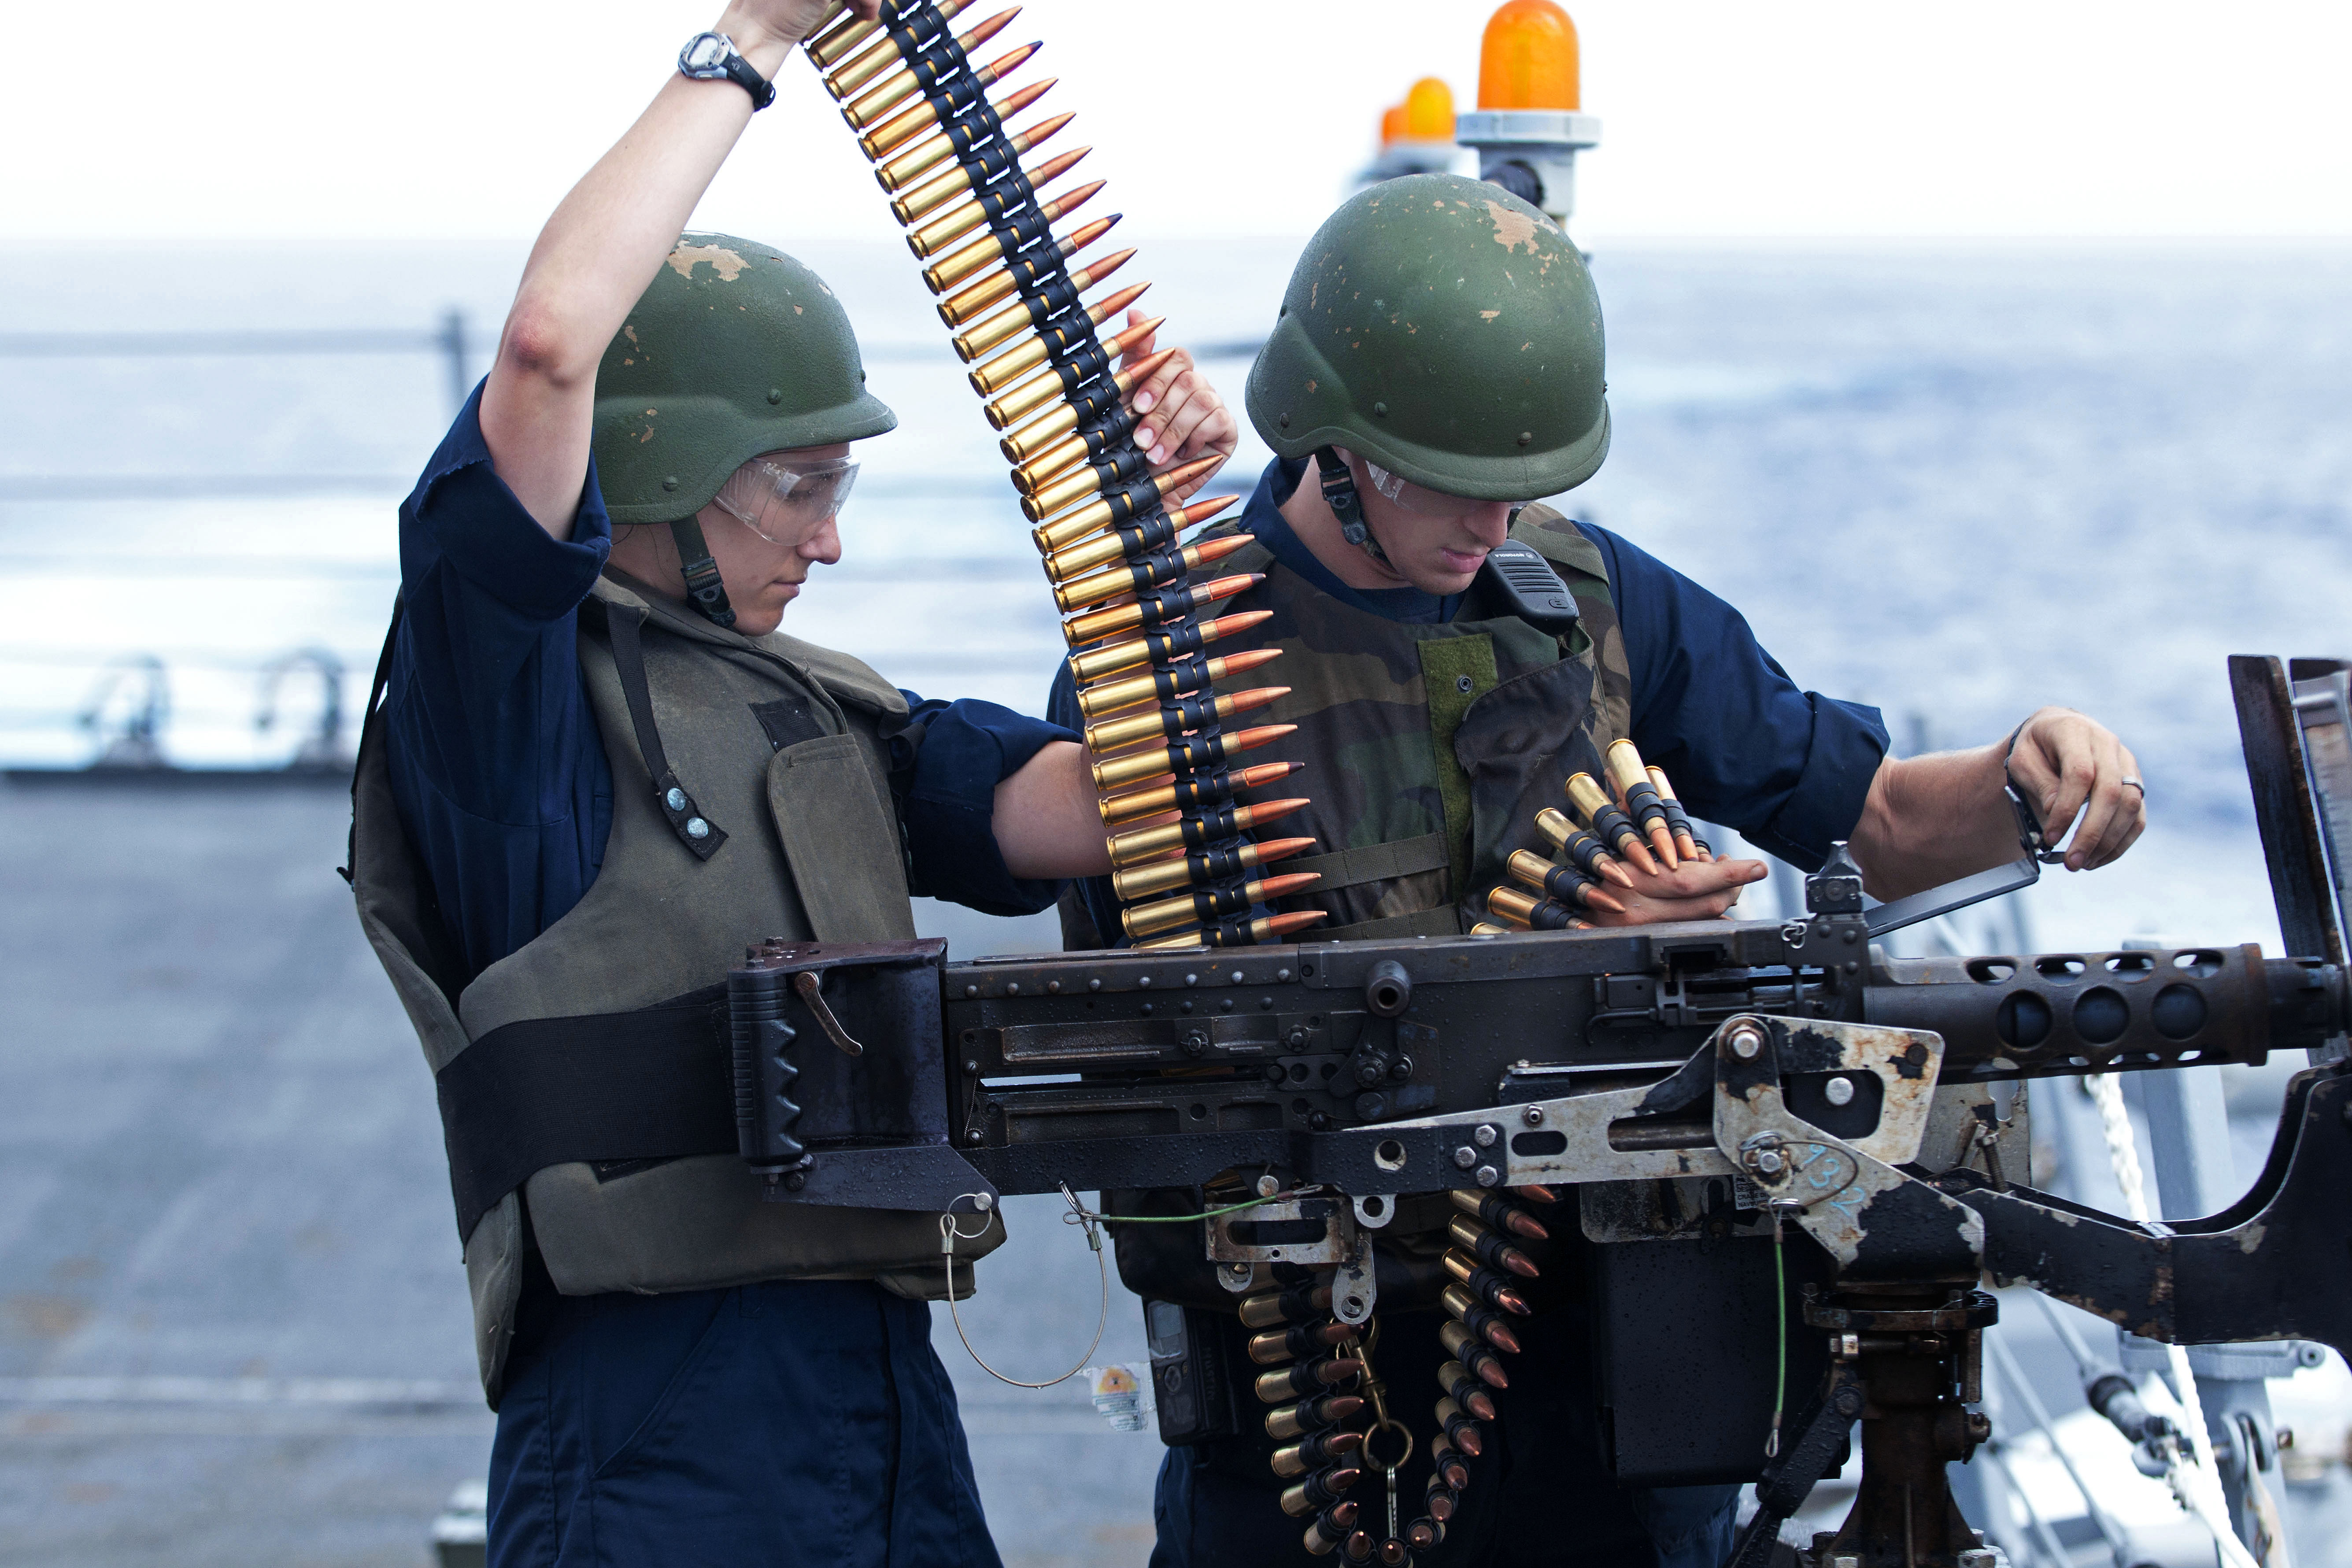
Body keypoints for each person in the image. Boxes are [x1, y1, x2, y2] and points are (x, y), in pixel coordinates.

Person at [1046, 174, 2148, 1567]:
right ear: (1328, 445)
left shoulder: (1588, 596)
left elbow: (1868, 814)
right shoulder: (1172, 672)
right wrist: (1579, 952)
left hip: (1618, 1357)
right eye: (1451, 491)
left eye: (1521, 494)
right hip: (1323, 1380)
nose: (1490, 534)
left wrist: (2024, 778)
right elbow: (1158, 1025)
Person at [343, 3, 1225, 1561]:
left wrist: (1164, 540)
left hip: (875, 1393)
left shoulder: (811, 705)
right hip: (656, 1422)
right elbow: (551, 348)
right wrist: (749, 43)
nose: (830, 539)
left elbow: (1085, 813)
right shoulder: (510, 707)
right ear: (663, 471)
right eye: (800, 489)